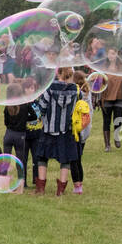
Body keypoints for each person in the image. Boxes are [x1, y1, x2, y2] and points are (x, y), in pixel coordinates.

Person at [31, 67, 79, 196]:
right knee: (65, 159)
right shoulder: (74, 89)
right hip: (65, 129)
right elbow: (75, 107)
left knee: (42, 157)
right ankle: (60, 191)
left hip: (48, 129)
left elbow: (43, 107)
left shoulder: (50, 87)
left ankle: (41, 189)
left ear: (58, 73)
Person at [99, 53, 122, 150]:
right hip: (106, 98)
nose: (111, 56)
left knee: (118, 120)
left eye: (113, 53)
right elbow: (99, 83)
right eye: (109, 54)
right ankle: (107, 145)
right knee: (106, 121)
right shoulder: (103, 68)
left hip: (120, 98)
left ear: (117, 55)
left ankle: (117, 138)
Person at [2, 99, 35, 186]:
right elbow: (34, 116)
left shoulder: (8, 105)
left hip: (8, 134)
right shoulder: (26, 105)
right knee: (20, 160)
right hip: (20, 135)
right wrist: (24, 119)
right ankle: (21, 184)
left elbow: (6, 122)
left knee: (6, 160)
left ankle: (4, 184)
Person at [70, 72, 92, 194]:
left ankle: (77, 186)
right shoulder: (87, 93)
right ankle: (79, 184)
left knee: (74, 159)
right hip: (85, 130)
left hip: (77, 131)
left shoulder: (77, 94)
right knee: (78, 158)